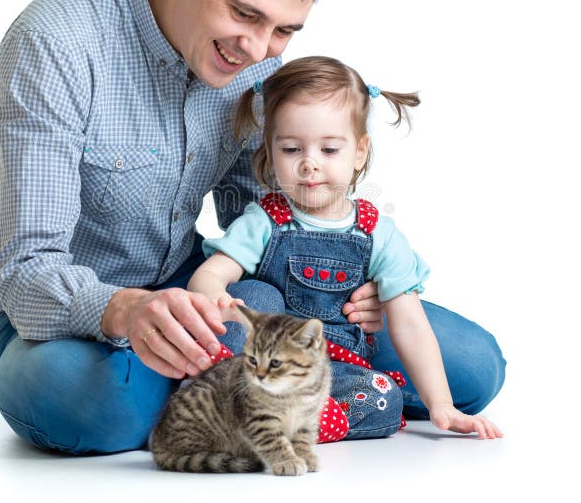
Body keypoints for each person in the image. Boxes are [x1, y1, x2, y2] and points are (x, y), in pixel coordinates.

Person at [0, 0, 504, 455]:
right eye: (244, 13)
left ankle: (218, 387)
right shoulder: (58, 41)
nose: (258, 50)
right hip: (54, 313)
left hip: (193, 285)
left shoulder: (255, 62)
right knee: (101, 403)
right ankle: (255, 393)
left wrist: (352, 286)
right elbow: (27, 271)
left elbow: (264, 225)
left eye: (283, 30)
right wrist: (127, 310)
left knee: (474, 369)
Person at [189, 56, 503, 440]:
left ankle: (292, 423)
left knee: (384, 397)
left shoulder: (377, 234)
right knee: (250, 297)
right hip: (266, 367)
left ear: (359, 152)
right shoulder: (265, 221)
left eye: (329, 150)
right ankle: (226, 401)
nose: (309, 164)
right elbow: (211, 273)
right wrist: (216, 295)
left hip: (335, 370)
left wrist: (441, 404)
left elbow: (409, 323)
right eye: (291, 149)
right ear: (270, 152)